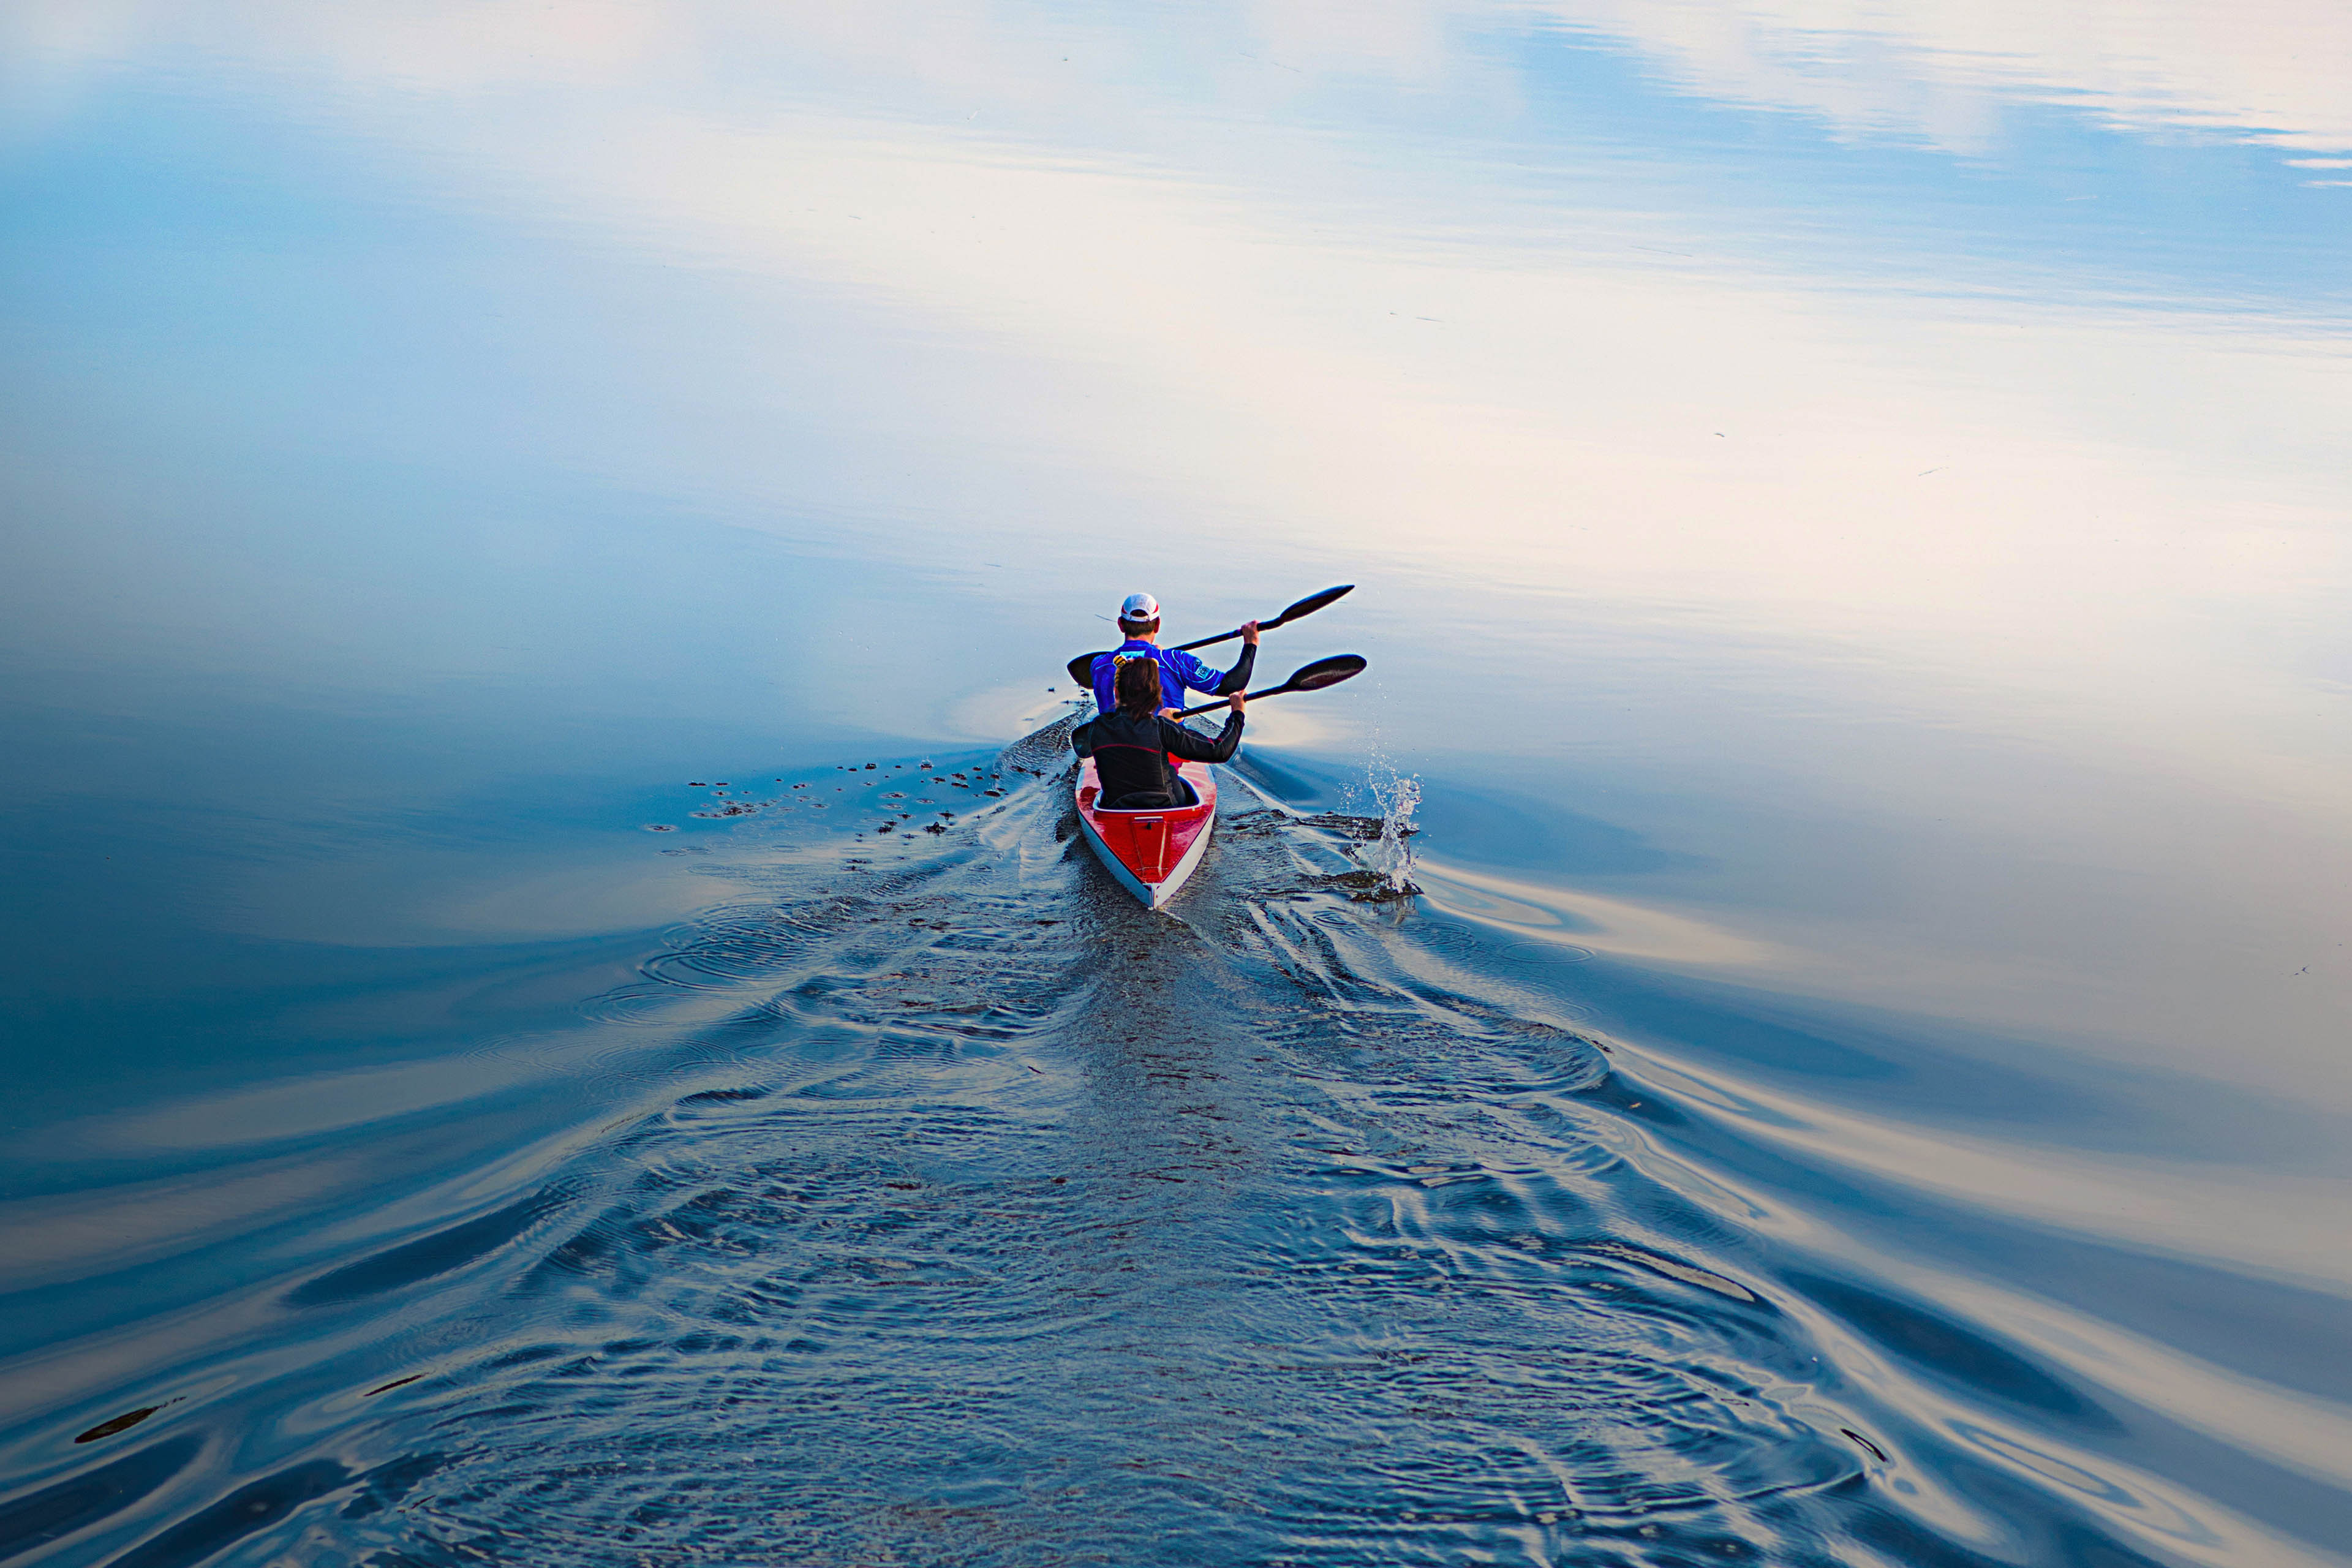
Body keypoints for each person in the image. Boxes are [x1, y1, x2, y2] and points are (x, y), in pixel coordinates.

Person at [1074, 656, 1245, 809]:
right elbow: (1220, 751)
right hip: (1167, 807)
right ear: (1157, 695)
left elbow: (1129, 732)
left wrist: (1165, 723)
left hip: (1117, 808)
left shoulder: (1098, 727)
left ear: (1116, 692)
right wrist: (1237, 713)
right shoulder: (1162, 729)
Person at [1090, 592, 1257, 717]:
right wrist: (1250, 644)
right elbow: (1233, 685)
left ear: (1120, 624)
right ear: (1157, 625)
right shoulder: (1176, 661)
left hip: (1111, 753)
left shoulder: (1098, 665)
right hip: (1168, 755)